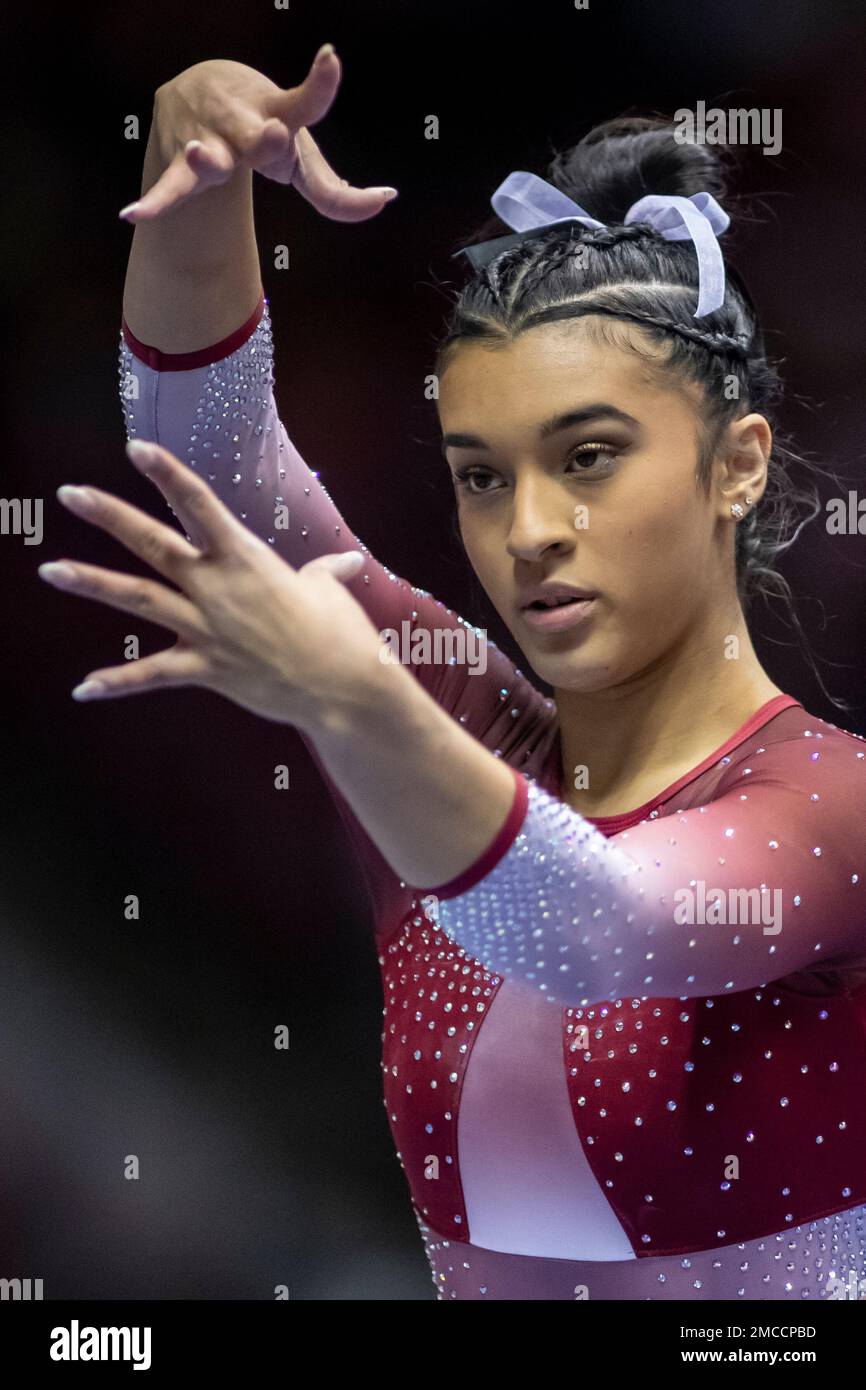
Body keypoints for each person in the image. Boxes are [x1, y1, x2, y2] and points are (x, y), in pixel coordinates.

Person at [38, 49, 866, 1300]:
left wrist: (353, 699)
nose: (526, 528)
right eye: (482, 475)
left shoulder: (828, 802)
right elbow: (216, 474)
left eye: (586, 457)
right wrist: (194, 174)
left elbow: (593, 927)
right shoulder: (456, 729)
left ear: (736, 463)